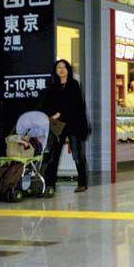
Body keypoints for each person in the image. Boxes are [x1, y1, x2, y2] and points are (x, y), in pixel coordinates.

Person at [43, 60, 89, 194]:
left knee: (77, 154)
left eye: (64, 67)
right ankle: (50, 184)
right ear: (55, 70)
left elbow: (75, 104)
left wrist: (59, 113)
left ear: (68, 69)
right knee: (53, 155)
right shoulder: (52, 85)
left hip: (73, 124)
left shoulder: (74, 84)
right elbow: (46, 103)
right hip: (58, 125)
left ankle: (82, 183)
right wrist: (50, 115)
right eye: (59, 67)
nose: (61, 70)